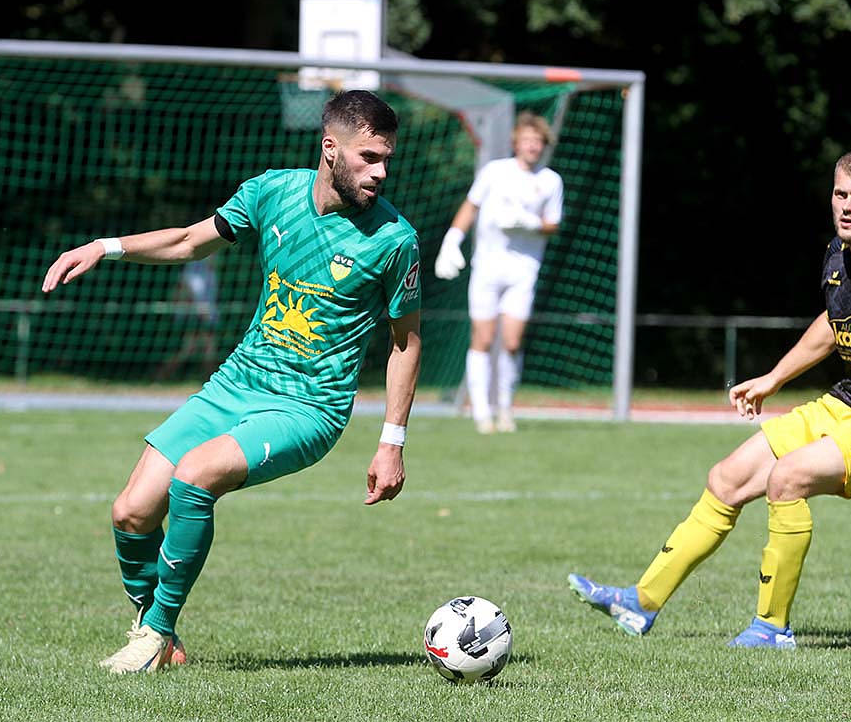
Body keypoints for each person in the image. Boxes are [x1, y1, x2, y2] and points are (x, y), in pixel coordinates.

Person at [41, 90, 423, 673]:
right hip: (236, 384)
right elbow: (189, 241)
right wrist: (105, 247)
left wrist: (391, 442)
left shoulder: (395, 239)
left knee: (195, 476)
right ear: (330, 148)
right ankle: (155, 629)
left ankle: (154, 635)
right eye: (368, 157)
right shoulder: (272, 192)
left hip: (308, 407)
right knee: (131, 512)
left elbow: (405, 342)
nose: (380, 173)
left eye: (386, 159)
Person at [568, 149, 851, 648]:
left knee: (787, 478)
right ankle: (640, 602)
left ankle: (772, 627)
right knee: (726, 478)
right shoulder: (838, 253)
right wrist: (773, 378)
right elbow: (834, 323)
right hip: (843, 406)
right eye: (840, 194)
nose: (847, 206)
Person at [433, 111, 564, 434]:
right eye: (527, 140)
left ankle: (505, 406)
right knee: (483, 337)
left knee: (512, 341)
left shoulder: (550, 181)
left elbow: (553, 224)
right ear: (516, 142)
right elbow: (471, 206)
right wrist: (452, 240)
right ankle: (481, 412)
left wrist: (528, 223)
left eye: (538, 141)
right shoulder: (495, 172)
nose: (532, 146)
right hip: (488, 268)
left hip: (524, 271)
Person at [154, 258, 220, 381]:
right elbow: (180, 296)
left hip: (205, 317)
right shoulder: (191, 274)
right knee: (202, 349)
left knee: (194, 350)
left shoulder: (210, 274)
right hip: (194, 318)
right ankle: (161, 375)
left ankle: (161, 375)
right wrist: (199, 310)